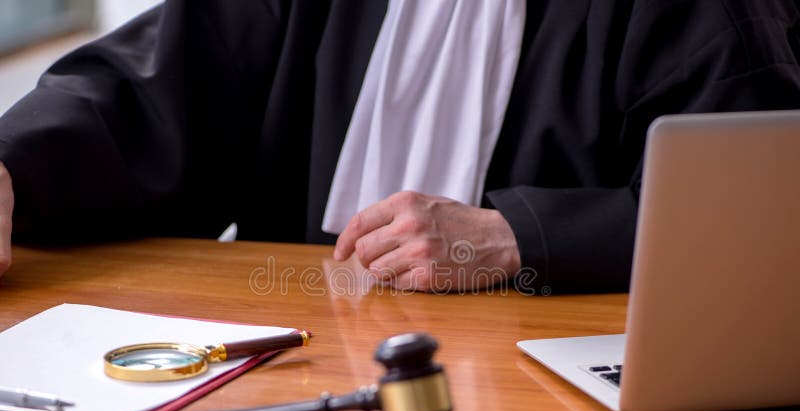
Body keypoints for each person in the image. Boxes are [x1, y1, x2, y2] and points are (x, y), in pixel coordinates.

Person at [0, 0, 799, 293]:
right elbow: (149, 88)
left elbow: (765, 211)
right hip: (301, 367)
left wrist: (524, 237)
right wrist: (12, 167)